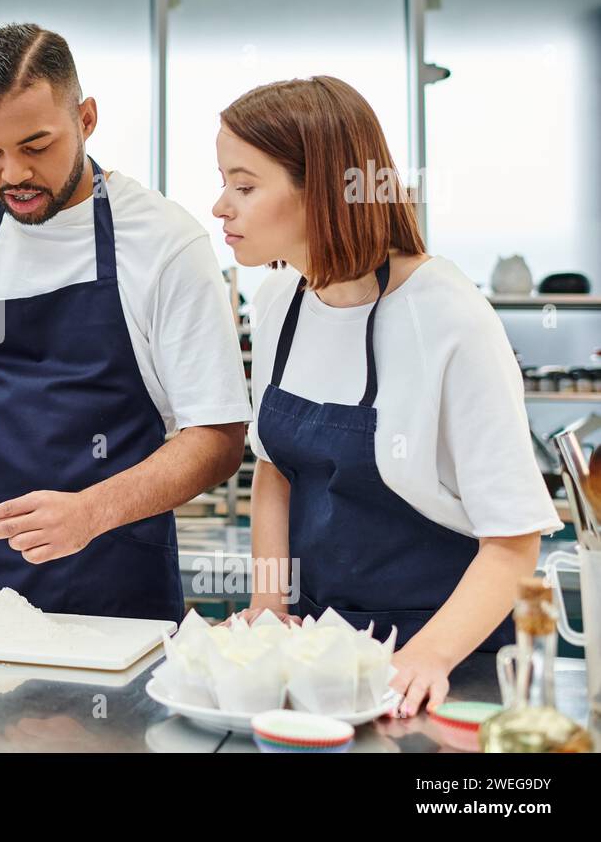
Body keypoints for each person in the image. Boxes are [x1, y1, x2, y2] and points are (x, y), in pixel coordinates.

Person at [0, 23, 251, 620]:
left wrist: (90, 512)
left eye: (35, 146)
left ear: (87, 118)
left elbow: (218, 438)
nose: (12, 175)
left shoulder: (165, 242)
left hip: (114, 590)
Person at [213, 75, 559, 715]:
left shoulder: (448, 316)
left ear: (319, 190)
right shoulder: (278, 302)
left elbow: (513, 539)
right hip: (325, 649)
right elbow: (273, 470)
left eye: (244, 185)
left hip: (451, 657)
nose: (220, 207)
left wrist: (426, 657)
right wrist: (269, 607)